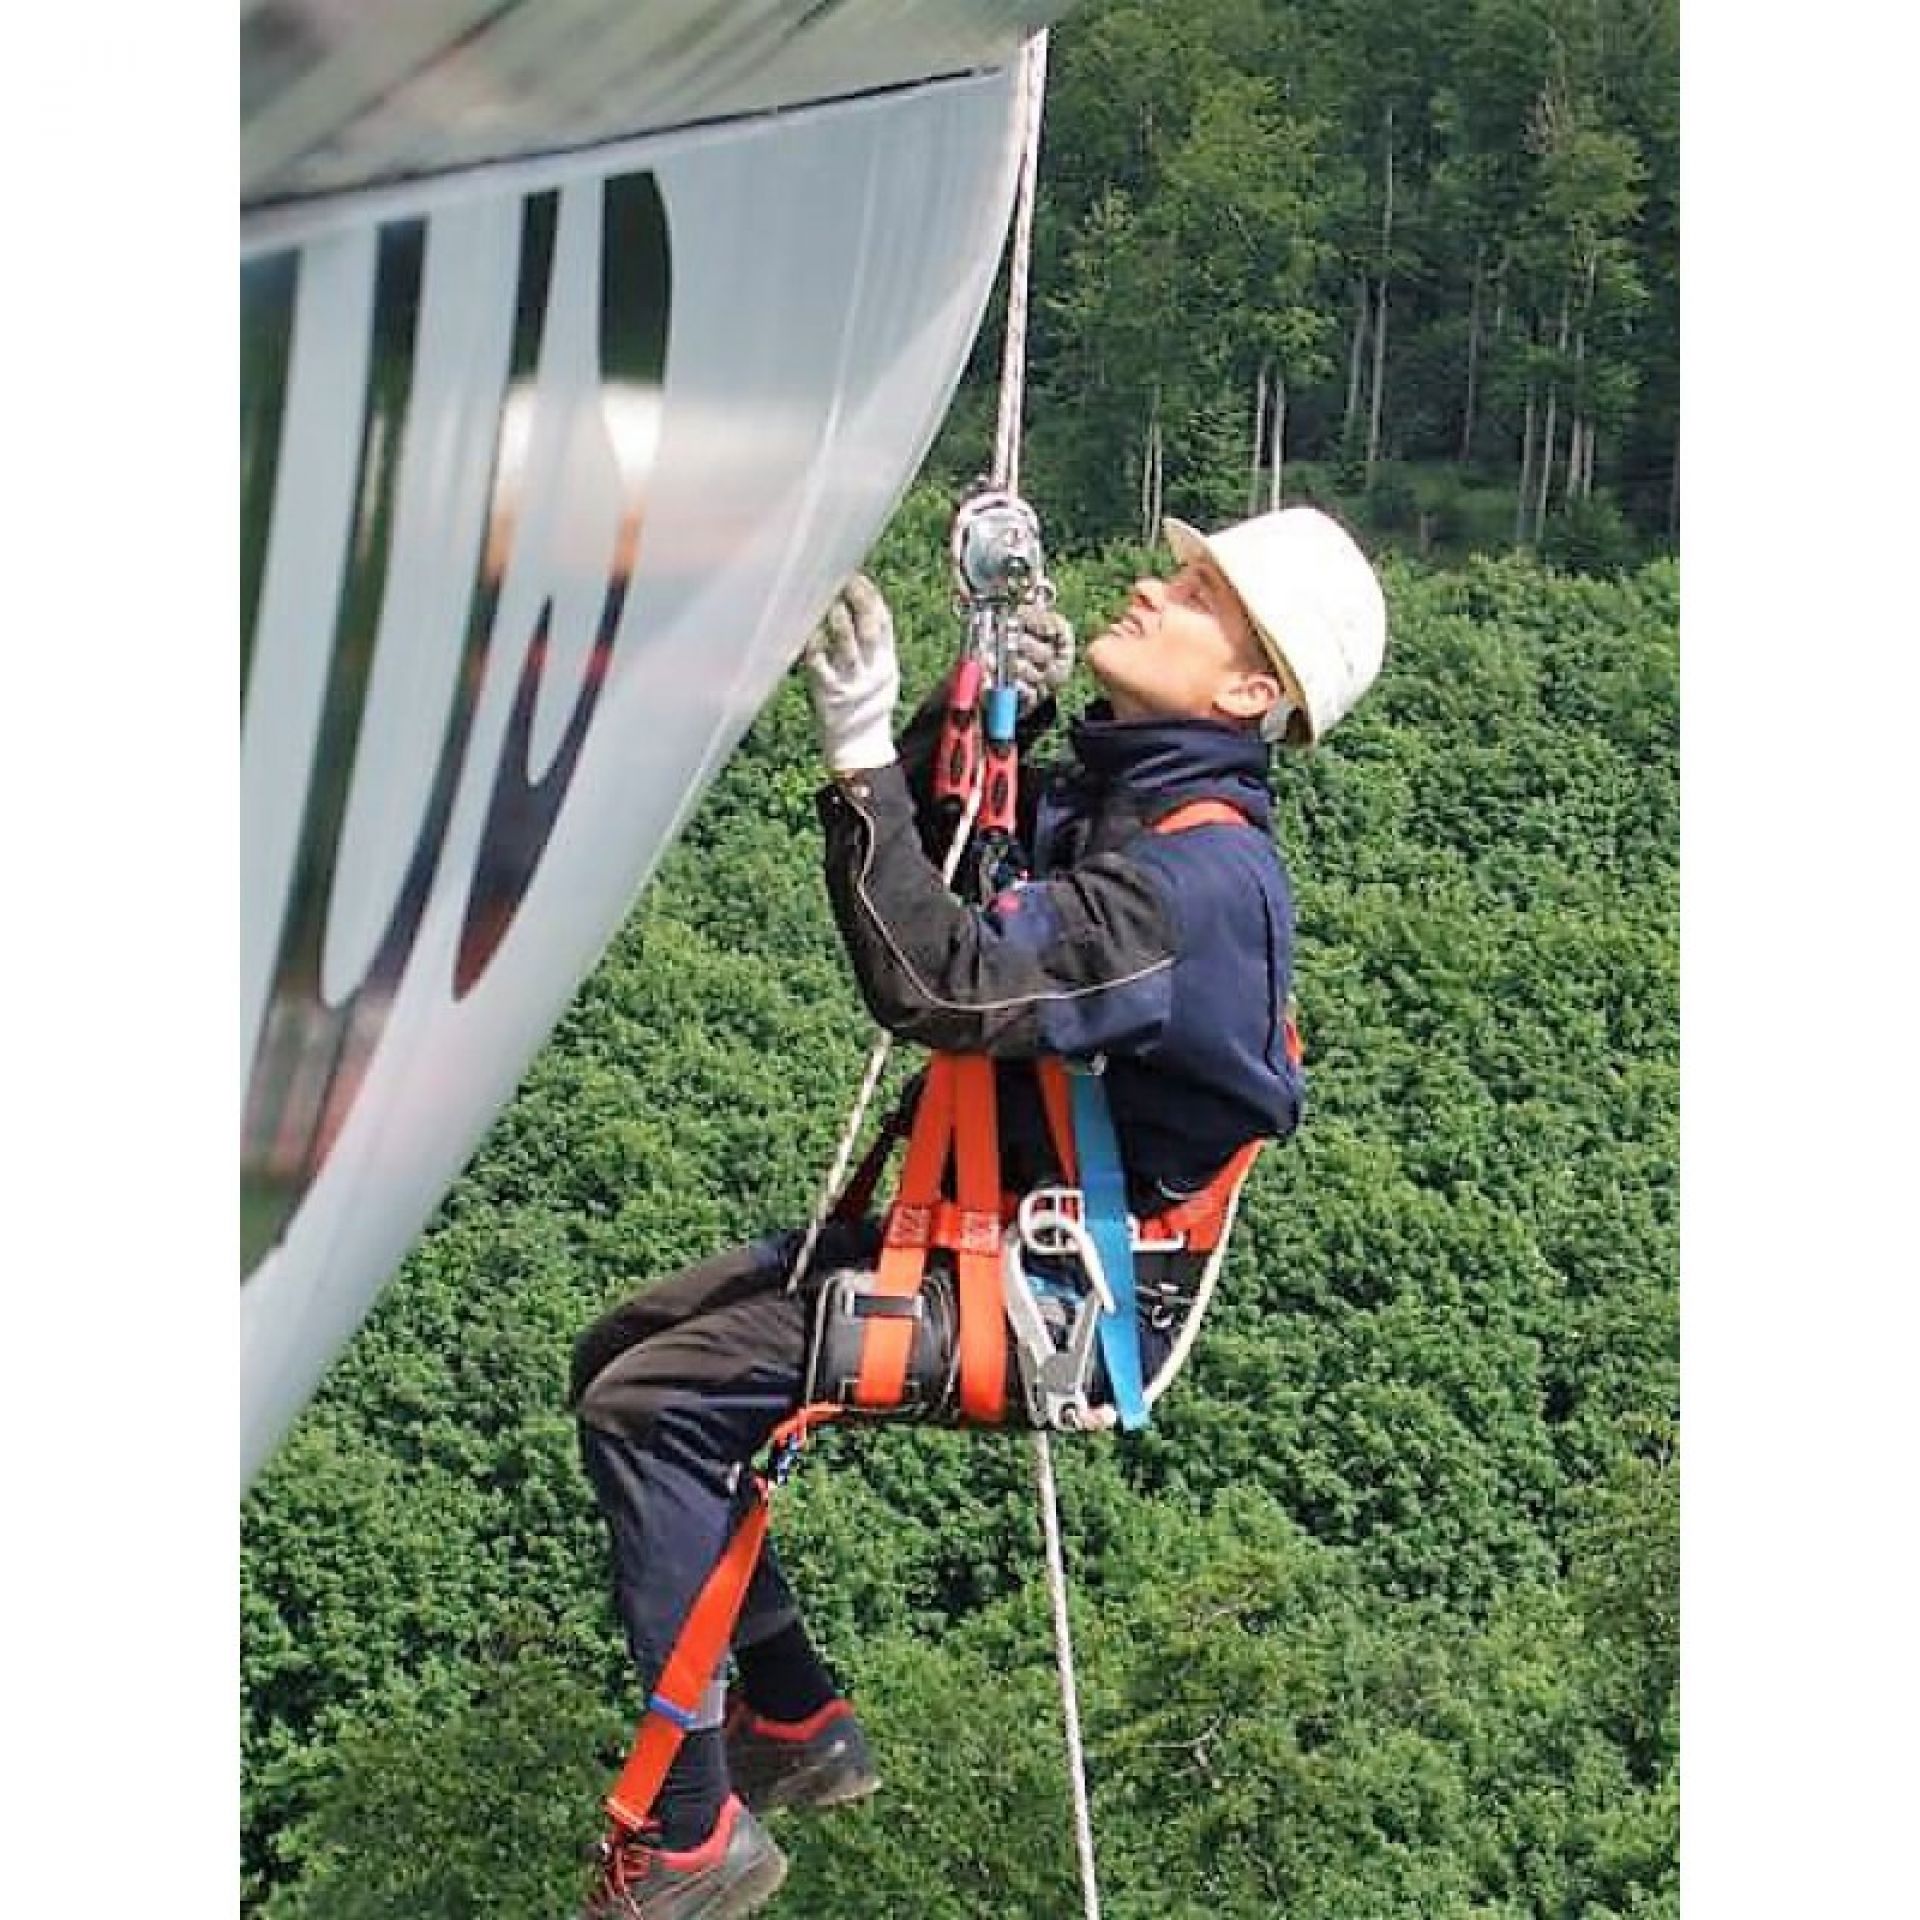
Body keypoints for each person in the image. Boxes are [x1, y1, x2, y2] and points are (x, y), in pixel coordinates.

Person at [571, 505, 1388, 1918]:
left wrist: (853, 759)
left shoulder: (1196, 882)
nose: (1153, 581)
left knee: (656, 1409)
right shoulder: (1144, 811)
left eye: (1194, 593)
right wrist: (988, 704)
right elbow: (980, 874)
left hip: (1058, 1298)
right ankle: (793, 1719)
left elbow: (943, 979)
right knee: (620, 1355)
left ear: (1250, 691)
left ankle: (691, 1836)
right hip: (1002, 1235)